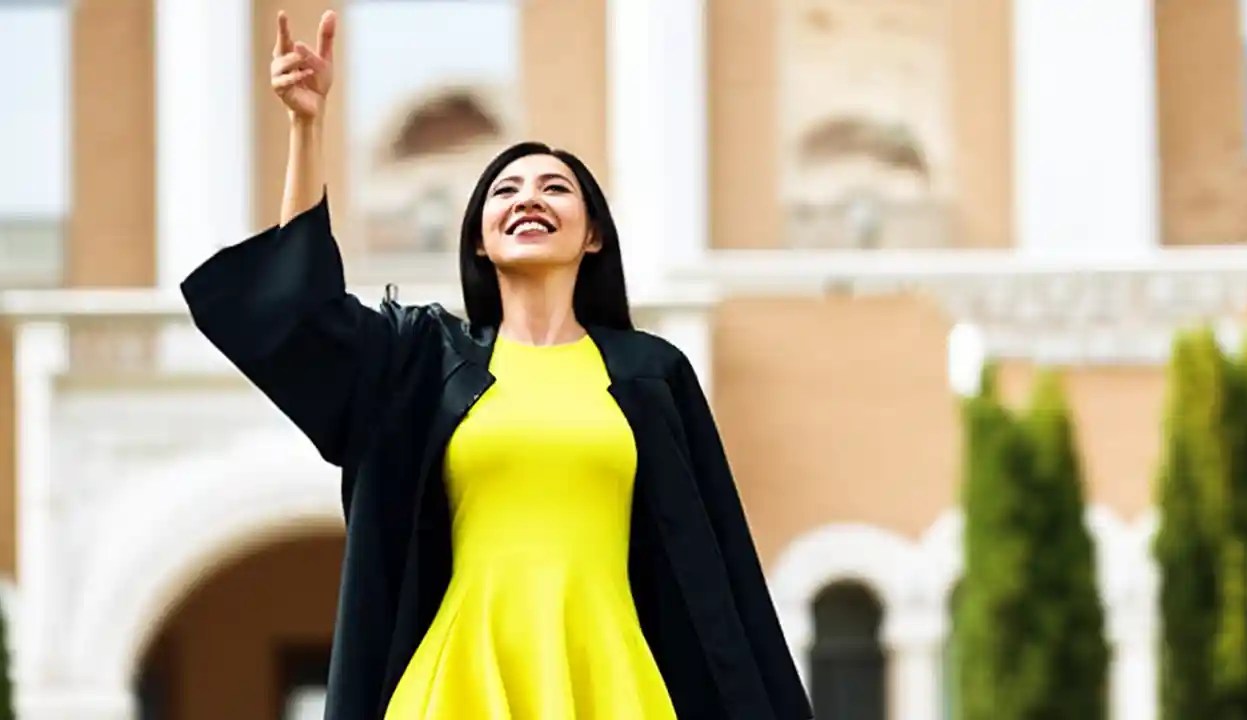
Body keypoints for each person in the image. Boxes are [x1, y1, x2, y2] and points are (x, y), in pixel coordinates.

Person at [180, 9, 812, 720]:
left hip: (609, 678)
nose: (528, 198)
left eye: (555, 188)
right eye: (505, 191)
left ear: (594, 235)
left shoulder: (650, 375)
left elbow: (721, 576)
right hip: (463, 677)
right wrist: (307, 126)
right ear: (480, 240)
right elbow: (302, 314)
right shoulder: (428, 365)